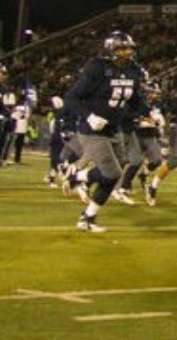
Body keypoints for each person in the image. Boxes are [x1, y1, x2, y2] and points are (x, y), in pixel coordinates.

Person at [63, 32, 147, 233]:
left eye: (128, 49)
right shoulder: (97, 68)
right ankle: (78, 178)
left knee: (114, 175)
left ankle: (87, 216)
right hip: (92, 130)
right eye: (122, 49)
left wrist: (146, 112)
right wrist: (90, 116)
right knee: (112, 174)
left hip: (114, 128)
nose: (127, 52)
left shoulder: (133, 71)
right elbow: (72, 98)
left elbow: (135, 101)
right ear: (110, 50)